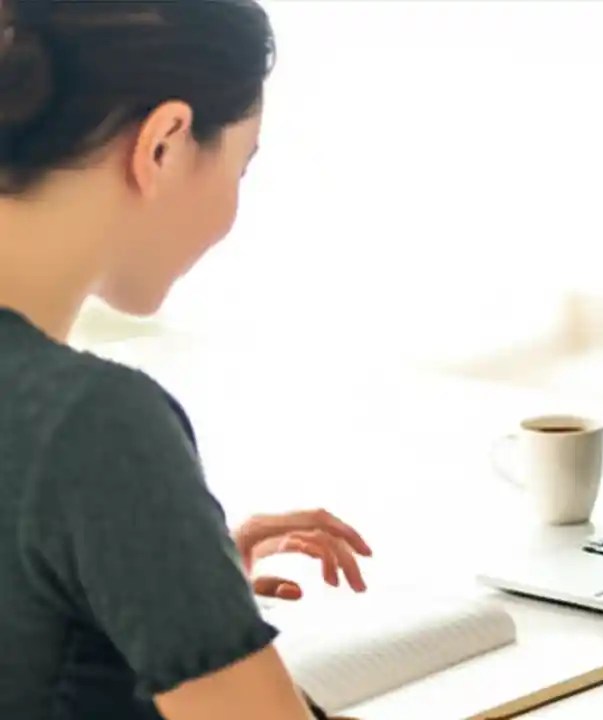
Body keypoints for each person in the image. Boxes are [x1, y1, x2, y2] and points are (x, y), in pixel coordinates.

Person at [0, 1, 366, 718]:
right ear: (164, 142)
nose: (234, 209)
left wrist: (165, 577)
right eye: (243, 162)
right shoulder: (93, 424)